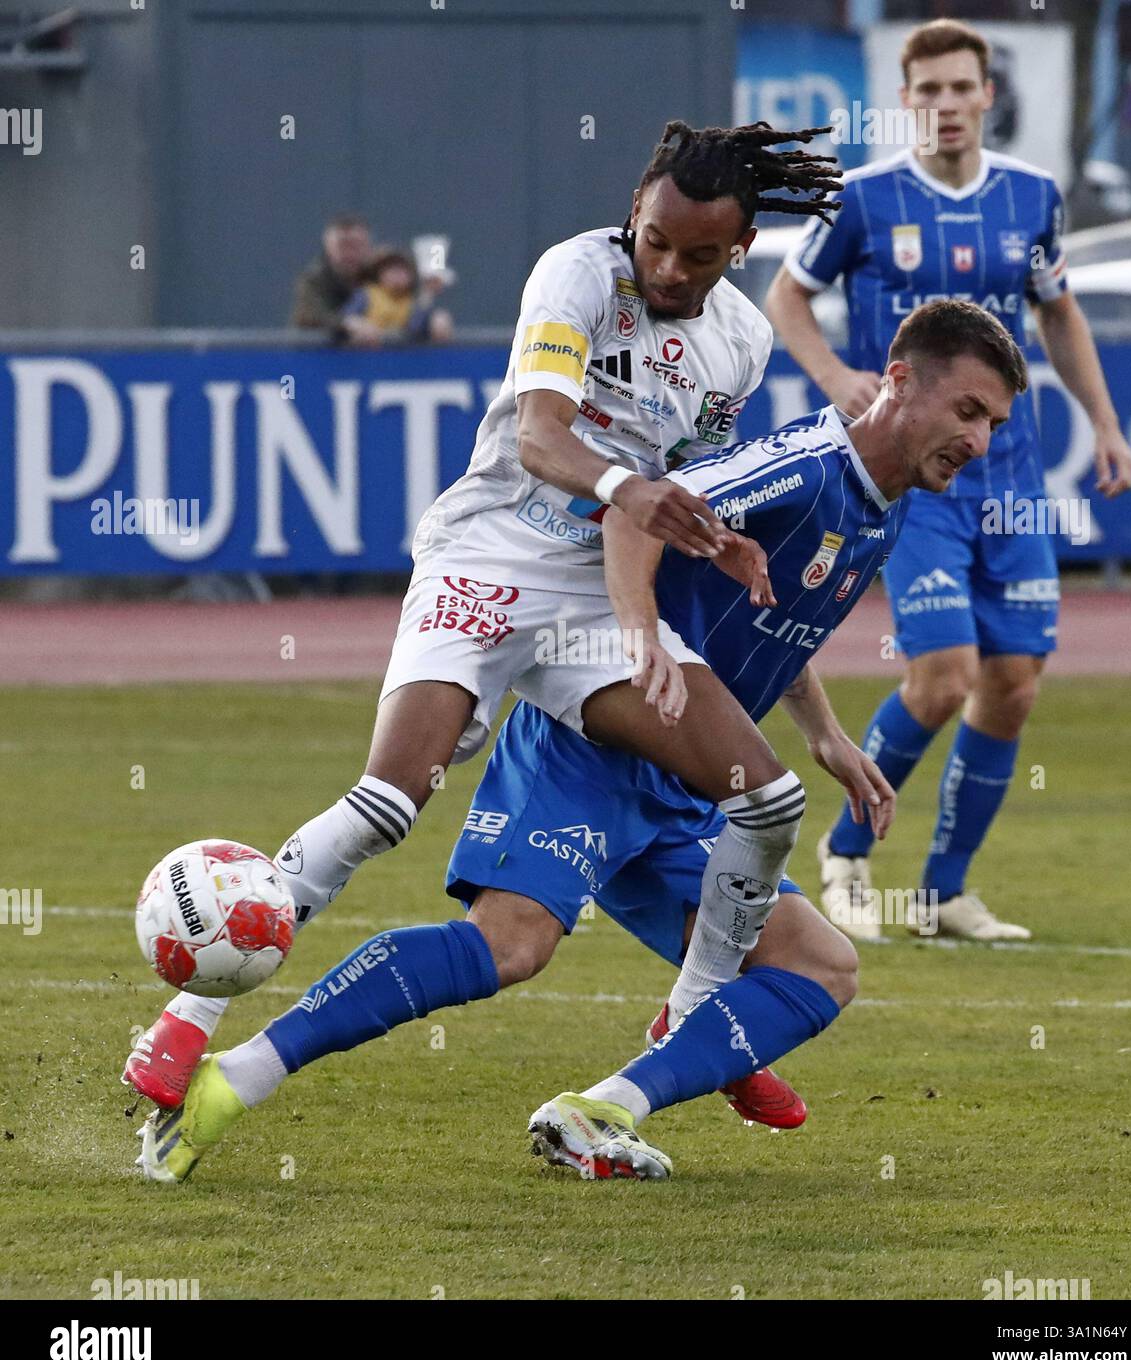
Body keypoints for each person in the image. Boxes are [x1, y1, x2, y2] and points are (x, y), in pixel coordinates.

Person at [135, 299, 1027, 1184]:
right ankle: (231, 1080)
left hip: (691, 785)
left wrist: (825, 732)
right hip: (593, 743)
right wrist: (638, 637)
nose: (979, 440)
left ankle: (601, 1109)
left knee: (821, 967)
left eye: (992, 422)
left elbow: (767, 626)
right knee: (509, 947)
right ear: (901, 381)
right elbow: (636, 516)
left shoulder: (886, 502)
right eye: (967, 411)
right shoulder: (802, 467)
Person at [124, 120, 845, 1122]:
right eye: (653, 240)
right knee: (390, 799)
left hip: (596, 597)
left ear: (740, 252)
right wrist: (629, 491)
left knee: (760, 794)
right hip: (489, 559)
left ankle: (696, 1024)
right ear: (633, 212)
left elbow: (689, 479)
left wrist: (705, 540)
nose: (666, 268)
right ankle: (187, 1019)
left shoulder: (741, 343)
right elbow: (544, 437)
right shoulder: (576, 276)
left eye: (697, 256)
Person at [766, 18, 1131, 943]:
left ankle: (942, 892)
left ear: (985, 95)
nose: (944, 106)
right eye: (925, 91)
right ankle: (845, 857)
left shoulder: (1032, 197)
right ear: (904, 103)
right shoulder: (863, 199)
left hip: (1008, 479)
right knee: (941, 676)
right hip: (909, 479)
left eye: (959, 88)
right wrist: (833, 378)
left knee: (1011, 681)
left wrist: (1102, 422)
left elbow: (1058, 314)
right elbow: (785, 296)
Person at [288, 213, 382, 347]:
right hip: (319, 359)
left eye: (357, 245)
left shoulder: (380, 276)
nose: (350, 252)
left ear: (368, 245)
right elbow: (312, 313)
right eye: (343, 245)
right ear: (328, 246)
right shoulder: (314, 279)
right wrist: (347, 323)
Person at [341, 246, 454, 345]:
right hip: (369, 353)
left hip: (402, 358)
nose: (397, 274)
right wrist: (359, 325)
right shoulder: (367, 293)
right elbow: (346, 319)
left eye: (403, 270)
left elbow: (414, 329)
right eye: (391, 269)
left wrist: (430, 300)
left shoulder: (414, 300)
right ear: (380, 273)